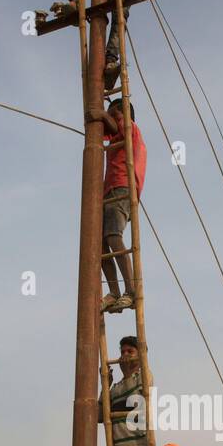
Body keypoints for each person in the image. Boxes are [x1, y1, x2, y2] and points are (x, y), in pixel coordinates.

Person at [86, 99, 146, 314]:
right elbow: (101, 131)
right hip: (110, 191)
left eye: (113, 115)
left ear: (121, 113)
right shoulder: (117, 135)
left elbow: (111, 123)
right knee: (100, 244)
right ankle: (114, 292)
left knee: (113, 237)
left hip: (121, 187)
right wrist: (99, 117)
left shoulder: (129, 127)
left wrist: (102, 114)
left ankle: (130, 290)